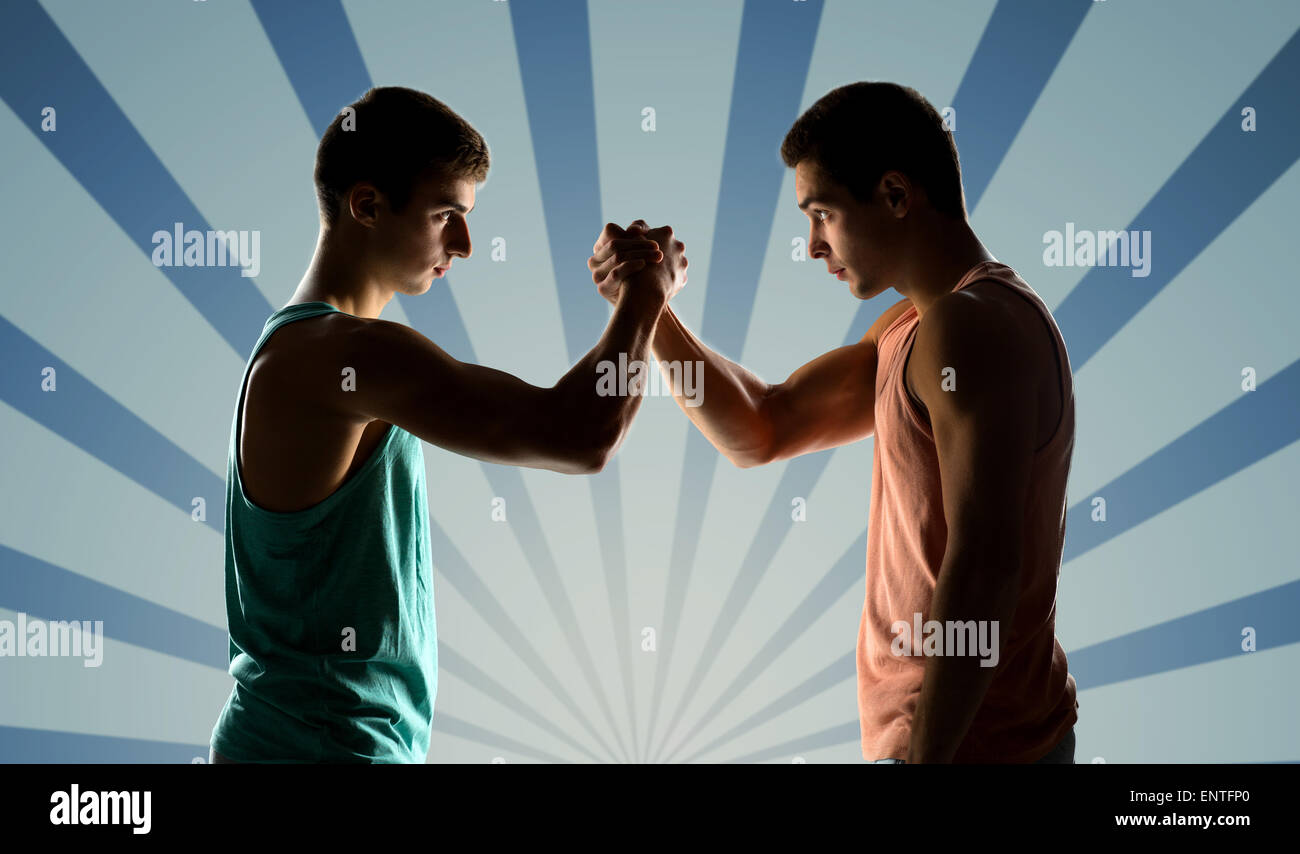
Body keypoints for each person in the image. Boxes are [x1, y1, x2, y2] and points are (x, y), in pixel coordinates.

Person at [590, 82, 1078, 763]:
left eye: (823, 214)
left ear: (896, 195)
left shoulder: (970, 329)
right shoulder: (918, 327)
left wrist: (926, 758)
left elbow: (985, 566)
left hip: (974, 748)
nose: (814, 245)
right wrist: (652, 305)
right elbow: (764, 425)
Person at [209, 86, 685, 763]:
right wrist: (645, 292)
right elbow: (579, 433)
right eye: (445, 215)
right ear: (367, 205)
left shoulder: (314, 352)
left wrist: (635, 305)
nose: (463, 244)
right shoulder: (343, 355)